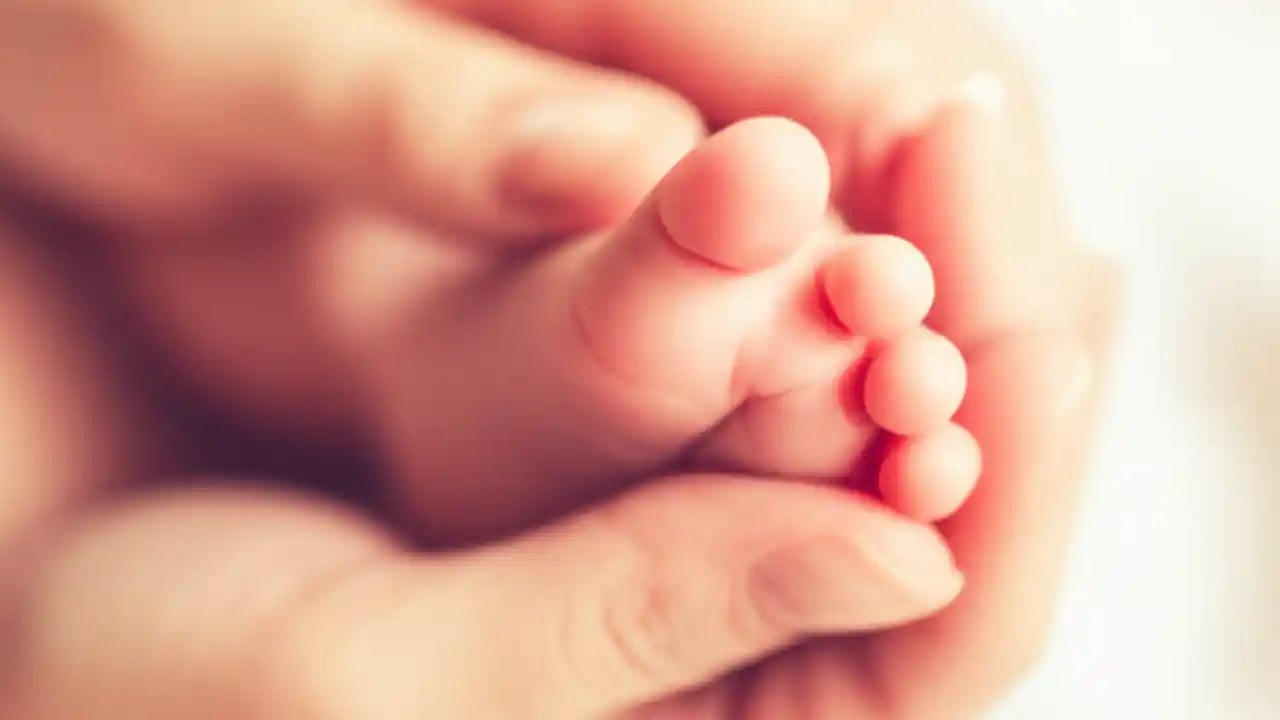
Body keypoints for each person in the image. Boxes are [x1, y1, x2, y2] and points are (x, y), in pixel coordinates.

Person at [0, 0, 1116, 717]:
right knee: (324, 299)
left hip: (166, 227)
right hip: (140, 485)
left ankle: (467, 349)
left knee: (301, 279)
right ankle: (488, 367)